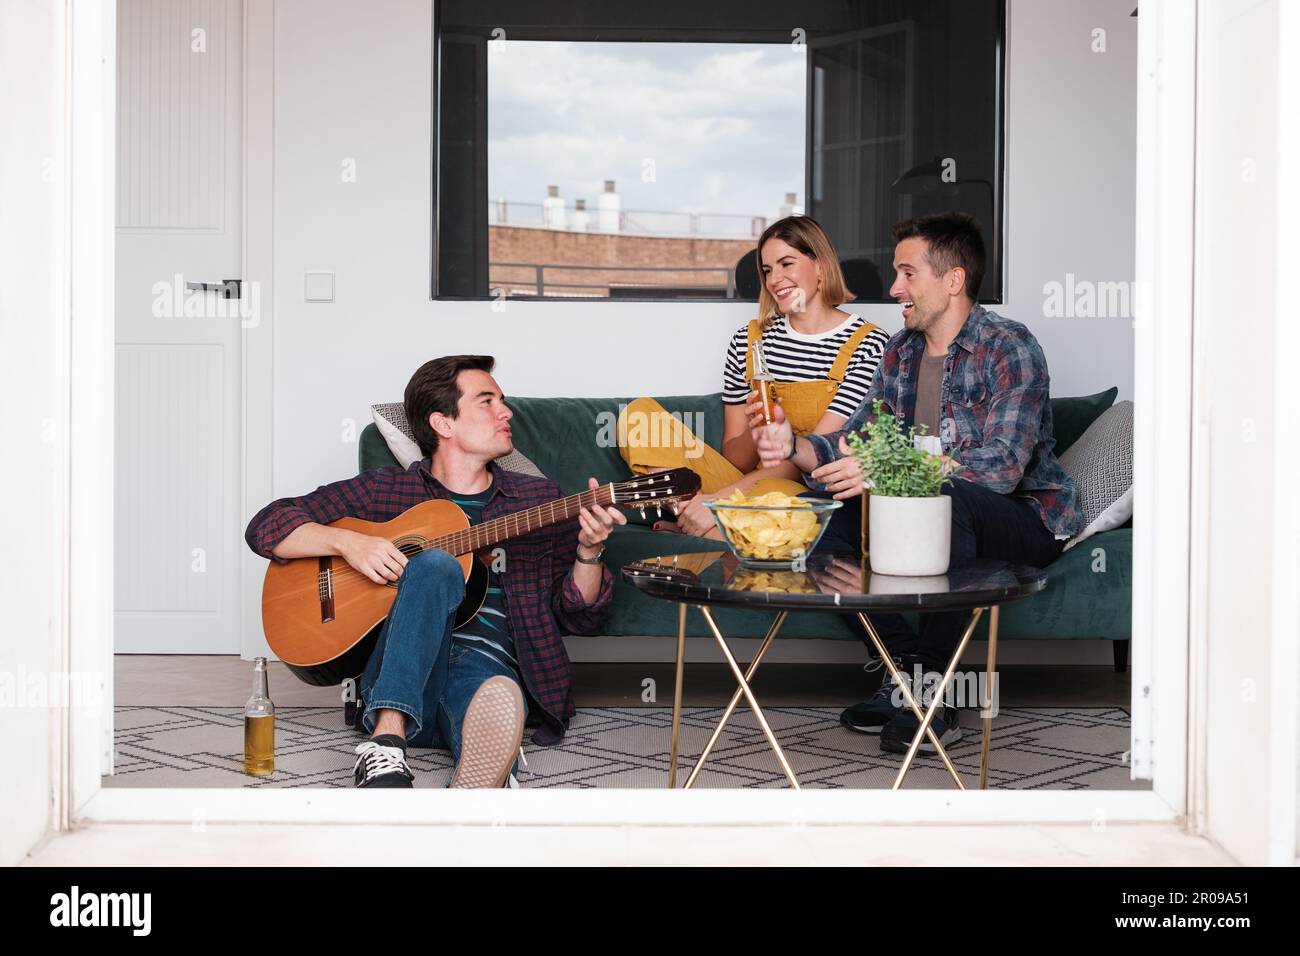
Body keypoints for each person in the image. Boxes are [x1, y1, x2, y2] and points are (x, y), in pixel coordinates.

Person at [751, 212, 1084, 755]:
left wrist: (887, 469)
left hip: (1023, 518)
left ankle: (931, 696)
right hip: (930, 508)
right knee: (818, 520)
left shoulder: (1010, 347)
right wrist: (795, 446)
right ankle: (908, 676)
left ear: (952, 280)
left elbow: (1000, 468)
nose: (893, 288)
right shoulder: (900, 353)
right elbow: (851, 444)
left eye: (907, 274)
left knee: (943, 499)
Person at [244, 355, 625, 788]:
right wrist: (348, 543)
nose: (506, 412)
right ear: (443, 423)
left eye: (502, 401)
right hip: (399, 674)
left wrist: (590, 551)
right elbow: (267, 526)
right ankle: (393, 740)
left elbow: (580, 615)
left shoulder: (539, 501)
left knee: (485, 688)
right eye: (487, 401)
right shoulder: (388, 490)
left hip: (489, 667)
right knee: (437, 565)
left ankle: (460, 771)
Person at [618, 215, 891, 538]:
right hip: (743, 485)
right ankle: (699, 518)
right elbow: (736, 458)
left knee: (787, 510)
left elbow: (815, 457)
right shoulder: (749, 341)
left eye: (786, 264)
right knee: (639, 417)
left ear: (820, 266)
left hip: (802, 491)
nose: (775, 279)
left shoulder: (868, 345)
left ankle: (705, 523)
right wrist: (758, 425)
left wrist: (718, 501)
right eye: (767, 270)